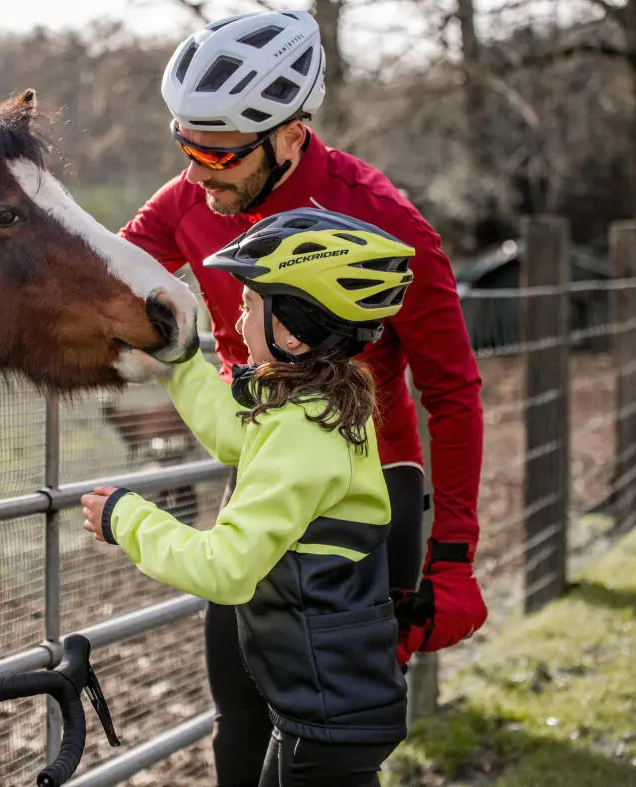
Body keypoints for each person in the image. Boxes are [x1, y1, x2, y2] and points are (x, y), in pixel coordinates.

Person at [118, 10, 487, 785]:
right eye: (184, 145)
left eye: (215, 152)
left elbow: (451, 393)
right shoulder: (193, 197)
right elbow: (106, 280)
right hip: (264, 463)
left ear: (290, 135)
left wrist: (452, 556)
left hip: (369, 495)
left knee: (329, 735)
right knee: (240, 715)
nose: (193, 172)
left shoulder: (386, 220)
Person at [83, 208, 415, 786]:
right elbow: (238, 437)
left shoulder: (302, 432)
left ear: (291, 329)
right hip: (329, 704)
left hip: (326, 715)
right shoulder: (316, 408)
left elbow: (227, 569)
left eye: (251, 302)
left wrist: (128, 519)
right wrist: (181, 365)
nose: (237, 315)